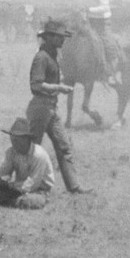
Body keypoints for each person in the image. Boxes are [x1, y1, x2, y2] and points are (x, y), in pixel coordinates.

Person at [25, 18, 93, 194]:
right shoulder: (41, 58)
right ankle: (23, 186)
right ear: (49, 37)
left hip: (50, 109)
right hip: (40, 109)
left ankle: (74, 186)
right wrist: (59, 87)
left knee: (64, 147)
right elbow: (36, 85)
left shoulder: (53, 56)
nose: (63, 40)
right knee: (32, 149)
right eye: (59, 37)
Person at [0, 117, 55, 209]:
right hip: (18, 188)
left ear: (26, 139)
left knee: (32, 200)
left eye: (17, 140)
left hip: (38, 190)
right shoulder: (12, 152)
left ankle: (3, 199)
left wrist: (10, 186)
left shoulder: (39, 155)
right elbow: (1, 173)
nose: (13, 143)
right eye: (12, 139)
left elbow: (32, 184)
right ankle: (3, 199)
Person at [77, 0, 120, 86]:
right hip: (90, 21)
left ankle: (111, 74)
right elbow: (84, 7)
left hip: (103, 21)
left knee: (105, 43)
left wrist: (89, 10)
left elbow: (105, 7)